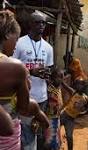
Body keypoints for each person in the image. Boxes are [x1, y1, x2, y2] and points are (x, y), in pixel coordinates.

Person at [12, 10, 54, 149]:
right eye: (37, 22)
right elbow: (11, 67)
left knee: (37, 129)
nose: (41, 25)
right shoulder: (19, 43)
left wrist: (48, 74)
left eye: (43, 23)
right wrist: (31, 71)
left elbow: (50, 70)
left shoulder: (48, 47)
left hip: (41, 97)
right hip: (24, 97)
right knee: (25, 133)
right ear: (30, 24)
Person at [0, 10, 29, 149]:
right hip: (6, 141)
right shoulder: (15, 67)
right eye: (16, 39)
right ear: (6, 34)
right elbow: (24, 108)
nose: (16, 45)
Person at [60, 79, 88, 150]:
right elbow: (65, 86)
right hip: (64, 115)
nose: (79, 86)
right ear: (75, 86)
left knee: (69, 136)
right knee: (55, 130)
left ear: (84, 86)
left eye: (81, 85)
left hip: (71, 119)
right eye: (78, 84)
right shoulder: (73, 92)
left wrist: (80, 114)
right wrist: (61, 79)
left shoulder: (85, 98)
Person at [44, 67, 63, 150]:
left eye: (61, 77)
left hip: (57, 117)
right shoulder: (49, 89)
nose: (60, 80)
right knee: (50, 139)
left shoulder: (58, 88)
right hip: (50, 118)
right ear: (52, 78)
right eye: (57, 77)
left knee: (56, 138)